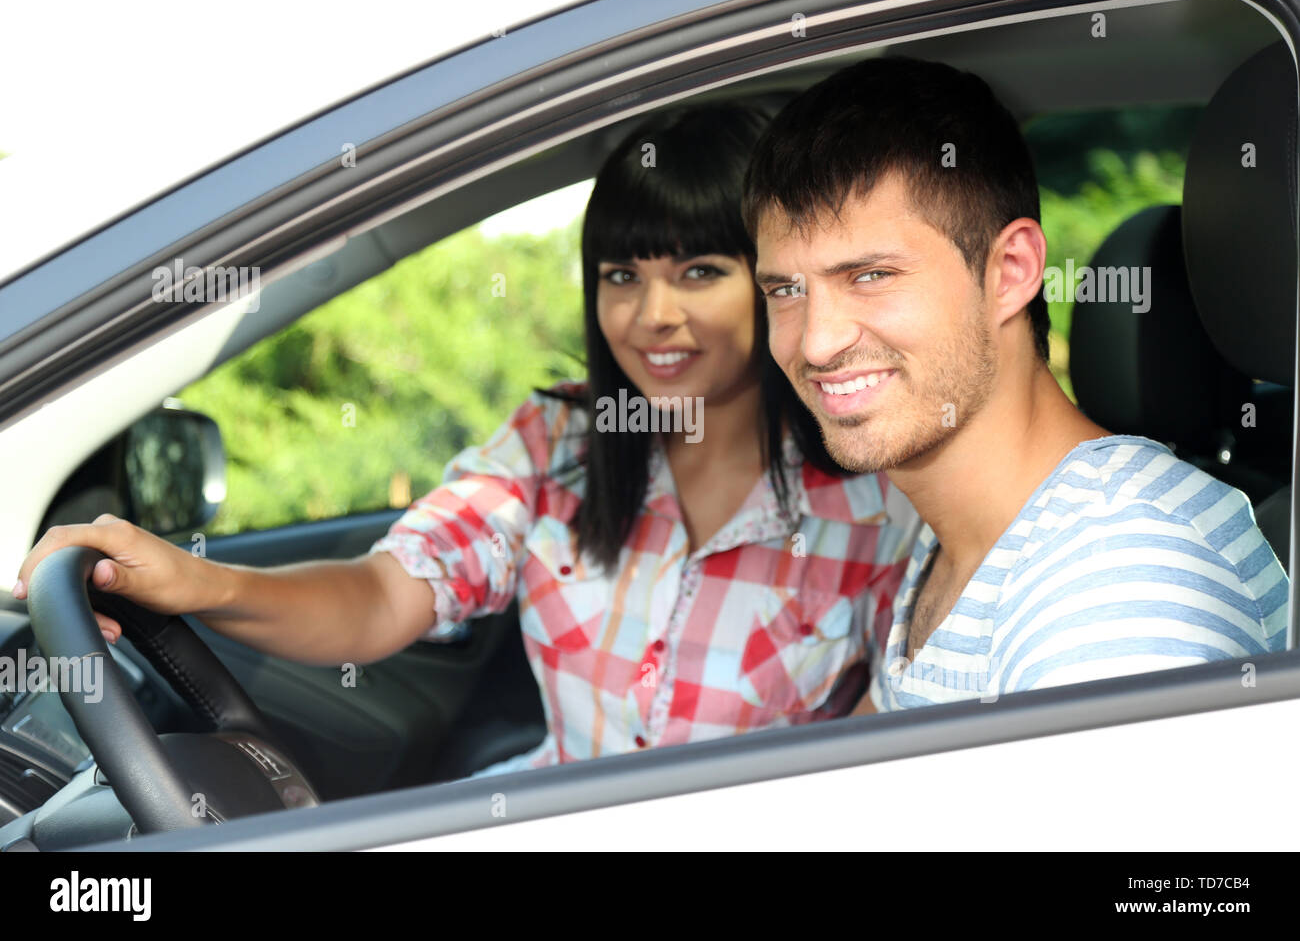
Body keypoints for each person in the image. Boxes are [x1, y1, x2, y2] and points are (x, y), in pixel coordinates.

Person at [15, 103, 922, 774]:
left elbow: (894, 738)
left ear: (775, 280)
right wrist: (196, 580)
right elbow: (380, 600)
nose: (652, 316)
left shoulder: (876, 490)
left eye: (700, 270)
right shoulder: (557, 442)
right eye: (620, 274)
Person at [741, 57, 1289, 712]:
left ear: (1010, 272)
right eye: (786, 290)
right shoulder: (967, 536)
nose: (816, 342)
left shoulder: (1113, 586)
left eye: (870, 276)